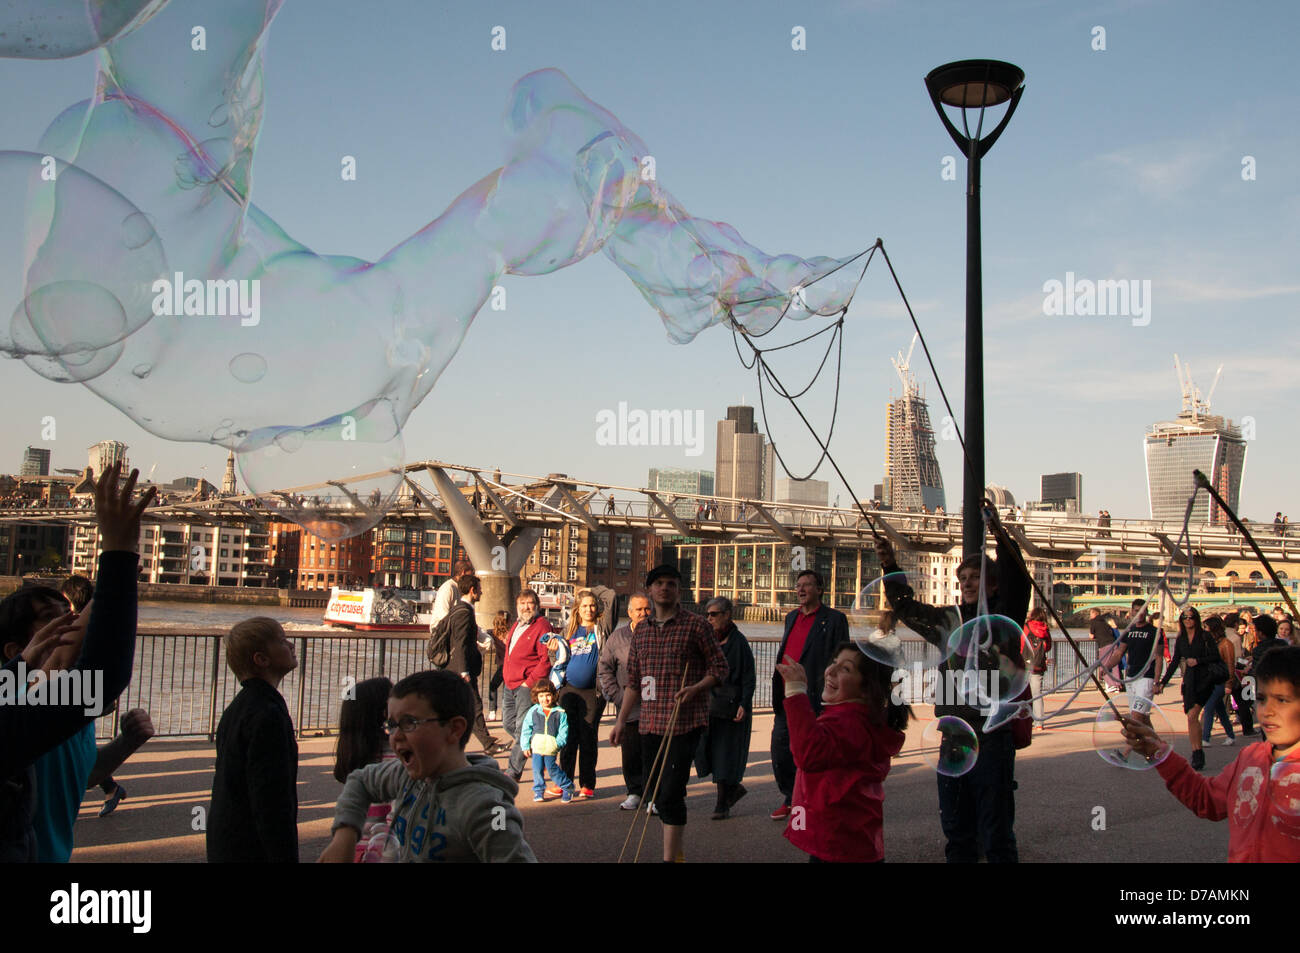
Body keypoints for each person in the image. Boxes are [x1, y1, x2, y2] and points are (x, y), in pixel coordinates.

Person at [0, 462, 153, 862]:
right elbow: (101, 675)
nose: (69, 624)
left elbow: (83, 776)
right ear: (16, 651)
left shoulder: (43, 706)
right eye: (51, 622)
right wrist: (119, 552)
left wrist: (126, 742)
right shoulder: (21, 710)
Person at [875, 504, 1031, 864]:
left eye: (975, 578)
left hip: (993, 734)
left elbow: (1019, 577)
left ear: (992, 583)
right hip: (954, 733)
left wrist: (999, 532)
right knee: (956, 828)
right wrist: (889, 565)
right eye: (963, 580)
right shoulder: (950, 620)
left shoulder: (1005, 615)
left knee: (996, 830)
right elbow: (905, 607)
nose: (967, 584)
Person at [320, 670, 537, 862]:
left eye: (409, 723)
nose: (395, 737)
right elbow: (361, 781)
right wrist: (345, 836)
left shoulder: (486, 809)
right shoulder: (405, 774)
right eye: (392, 725)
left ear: (454, 729)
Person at [1122, 646, 1300, 862]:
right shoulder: (1250, 758)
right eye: (1262, 699)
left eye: (1282, 700)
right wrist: (1159, 752)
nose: (1267, 711)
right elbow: (1205, 799)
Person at [610, 565, 727, 863]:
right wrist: (621, 721)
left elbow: (720, 668)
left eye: (671, 584)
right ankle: (674, 851)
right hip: (649, 723)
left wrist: (696, 688)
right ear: (649, 589)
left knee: (671, 793)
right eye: (659, 583)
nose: (665, 588)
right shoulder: (641, 633)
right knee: (656, 794)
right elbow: (633, 682)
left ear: (679, 590)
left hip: (684, 723)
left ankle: (670, 858)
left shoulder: (696, 626)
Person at [776, 643, 909, 862]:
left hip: (838, 840)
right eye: (835, 662)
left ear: (867, 688)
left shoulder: (850, 723)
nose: (831, 670)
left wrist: (795, 691)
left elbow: (808, 753)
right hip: (853, 836)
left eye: (846, 669)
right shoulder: (862, 720)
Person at [207, 617, 300, 862]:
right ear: (261, 659)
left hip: (228, 841)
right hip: (253, 848)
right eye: (281, 641)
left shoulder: (237, 709)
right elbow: (271, 799)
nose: (291, 645)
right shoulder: (268, 714)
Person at [769, 570, 850, 822]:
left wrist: (835, 691)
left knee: (812, 753)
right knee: (780, 749)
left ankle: (809, 802)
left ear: (820, 590)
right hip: (786, 695)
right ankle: (790, 798)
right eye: (798, 585)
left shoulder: (834, 619)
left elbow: (841, 657)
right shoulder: (791, 617)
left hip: (814, 695)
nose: (801, 589)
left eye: (807, 585)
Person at [59, 574, 137, 818]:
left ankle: (109, 787)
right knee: (79, 746)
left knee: (75, 747)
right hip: (83, 696)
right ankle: (110, 787)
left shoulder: (78, 627)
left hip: (76, 696)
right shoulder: (96, 624)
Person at [694, 597, 755, 820]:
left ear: (727, 614)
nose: (709, 618)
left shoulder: (739, 642)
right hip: (707, 705)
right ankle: (733, 789)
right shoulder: (706, 642)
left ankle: (722, 804)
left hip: (730, 706)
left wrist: (744, 704)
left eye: (714, 614)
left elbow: (749, 677)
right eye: (707, 614)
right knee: (703, 750)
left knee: (724, 756)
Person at [436, 575, 506, 755]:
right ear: (473, 590)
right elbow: (460, 643)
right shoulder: (464, 612)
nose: (482, 592)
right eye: (480, 589)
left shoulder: (459, 609)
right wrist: (463, 670)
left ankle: (483, 743)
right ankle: (487, 744)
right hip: (460, 670)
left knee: (459, 707)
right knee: (473, 706)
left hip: (455, 669)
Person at [598, 591, 652, 810]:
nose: (643, 613)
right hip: (627, 707)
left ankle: (653, 796)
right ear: (629, 613)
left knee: (652, 752)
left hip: (654, 706)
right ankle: (634, 792)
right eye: (638, 609)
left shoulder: (658, 633)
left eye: (647, 608)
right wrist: (617, 695)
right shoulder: (617, 638)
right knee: (630, 752)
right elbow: (604, 668)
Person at [549, 589, 606, 798]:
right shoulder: (569, 631)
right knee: (568, 737)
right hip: (568, 690)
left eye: (592, 605)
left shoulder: (601, 629)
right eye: (584, 606)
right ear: (577, 610)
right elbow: (557, 660)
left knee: (588, 737)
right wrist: (552, 650)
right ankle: (564, 781)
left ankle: (587, 783)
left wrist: (593, 590)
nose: (589, 609)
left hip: (592, 691)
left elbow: (611, 597)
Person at [333, 676, 396, 862]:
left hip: (355, 847)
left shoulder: (353, 753)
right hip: (384, 850)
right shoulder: (395, 756)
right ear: (385, 711)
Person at [1157, 607, 1223, 772]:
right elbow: (1174, 662)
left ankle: (1198, 753)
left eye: (1191, 617)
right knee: (1191, 718)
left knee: (1193, 714)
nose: (1188, 620)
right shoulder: (1181, 639)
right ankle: (1196, 751)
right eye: (1184, 618)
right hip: (1189, 681)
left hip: (1204, 679)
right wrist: (1163, 682)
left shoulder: (1205, 636)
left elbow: (1216, 656)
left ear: (1196, 619)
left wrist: (1198, 660)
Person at [501, 590, 553, 782]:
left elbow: (545, 659)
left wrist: (528, 683)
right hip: (509, 684)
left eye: (530, 603)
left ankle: (513, 772)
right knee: (508, 723)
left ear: (537, 605)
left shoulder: (542, 626)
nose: (526, 607)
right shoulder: (516, 624)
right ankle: (539, 745)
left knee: (523, 727)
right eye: (522, 603)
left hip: (526, 686)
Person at [520, 681, 575, 803]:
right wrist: (525, 745)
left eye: (547, 695)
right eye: (541, 696)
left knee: (552, 770)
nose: (545, 699)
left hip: (551, 747)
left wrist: (557, 744)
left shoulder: (560, 713)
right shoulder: (533, 711)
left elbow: (563, 731)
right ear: (536, 697)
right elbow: (526, 728)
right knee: (537, 769)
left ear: (553, 695)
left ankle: (567, 787)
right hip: (537, 747)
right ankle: (539, 791)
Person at [1114, 599, 1164, 718]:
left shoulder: (1155, 632)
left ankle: (1132, 735)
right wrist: (1106, 667)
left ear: (1146, 612)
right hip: (1131, 677)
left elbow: (1159, 657)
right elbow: (1119, 653)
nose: (1139, 613)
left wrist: (1157, 681)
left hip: (1146, 678)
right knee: (1141, 717)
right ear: (1132, 612)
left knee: (1137, 716)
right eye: (1136, 611)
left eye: (1142, 611)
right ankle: (1152, 737)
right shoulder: (1129, 631)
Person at [1201, 616, 1238, 746]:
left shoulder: (1226, 644)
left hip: (1221, 681)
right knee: (1220, 709)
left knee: (1209, 707)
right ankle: (1230, 735)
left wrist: (1229, 683)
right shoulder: (1210, 642)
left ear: (1213, 628)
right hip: (1211, 680)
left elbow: (1230, 665)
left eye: (1205, 627)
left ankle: (1205, 738)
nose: (1203, 629)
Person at [1022, 607, 1052, 723]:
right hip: (1038, 665)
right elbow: (1048, 647)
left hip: (1025, 664)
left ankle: (1025, 721)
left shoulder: (1026, 627)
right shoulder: (1045, 629)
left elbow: (1021, 643)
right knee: (1037, 694)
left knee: (1023, 694)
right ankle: (1039, 722)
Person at [429, 559, 475, 630]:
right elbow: (443, 615)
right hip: (443, 632)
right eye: (471, 574)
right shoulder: (448, 588)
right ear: (463, 572)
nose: (473, 577)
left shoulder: (460, 588)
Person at [1088, 607, 1122, 692]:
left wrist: (1095, 634)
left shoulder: (1093, 622)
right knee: (1114, 665)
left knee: (1102, 666)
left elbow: (1091, 636)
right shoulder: (1105, 620)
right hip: (1114, 643)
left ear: (1094, 614)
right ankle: (1118, 685)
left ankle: (1111, 685)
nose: (1090, 616)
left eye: (1090, 614)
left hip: (1105, 645)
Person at [486, 610, 510, 720]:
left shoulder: (492, 633)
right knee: (507, 689)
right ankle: (506, 713)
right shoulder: (511, 634)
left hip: (503, 665)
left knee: (493, 685)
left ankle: (492, 711)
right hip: (510, 664)